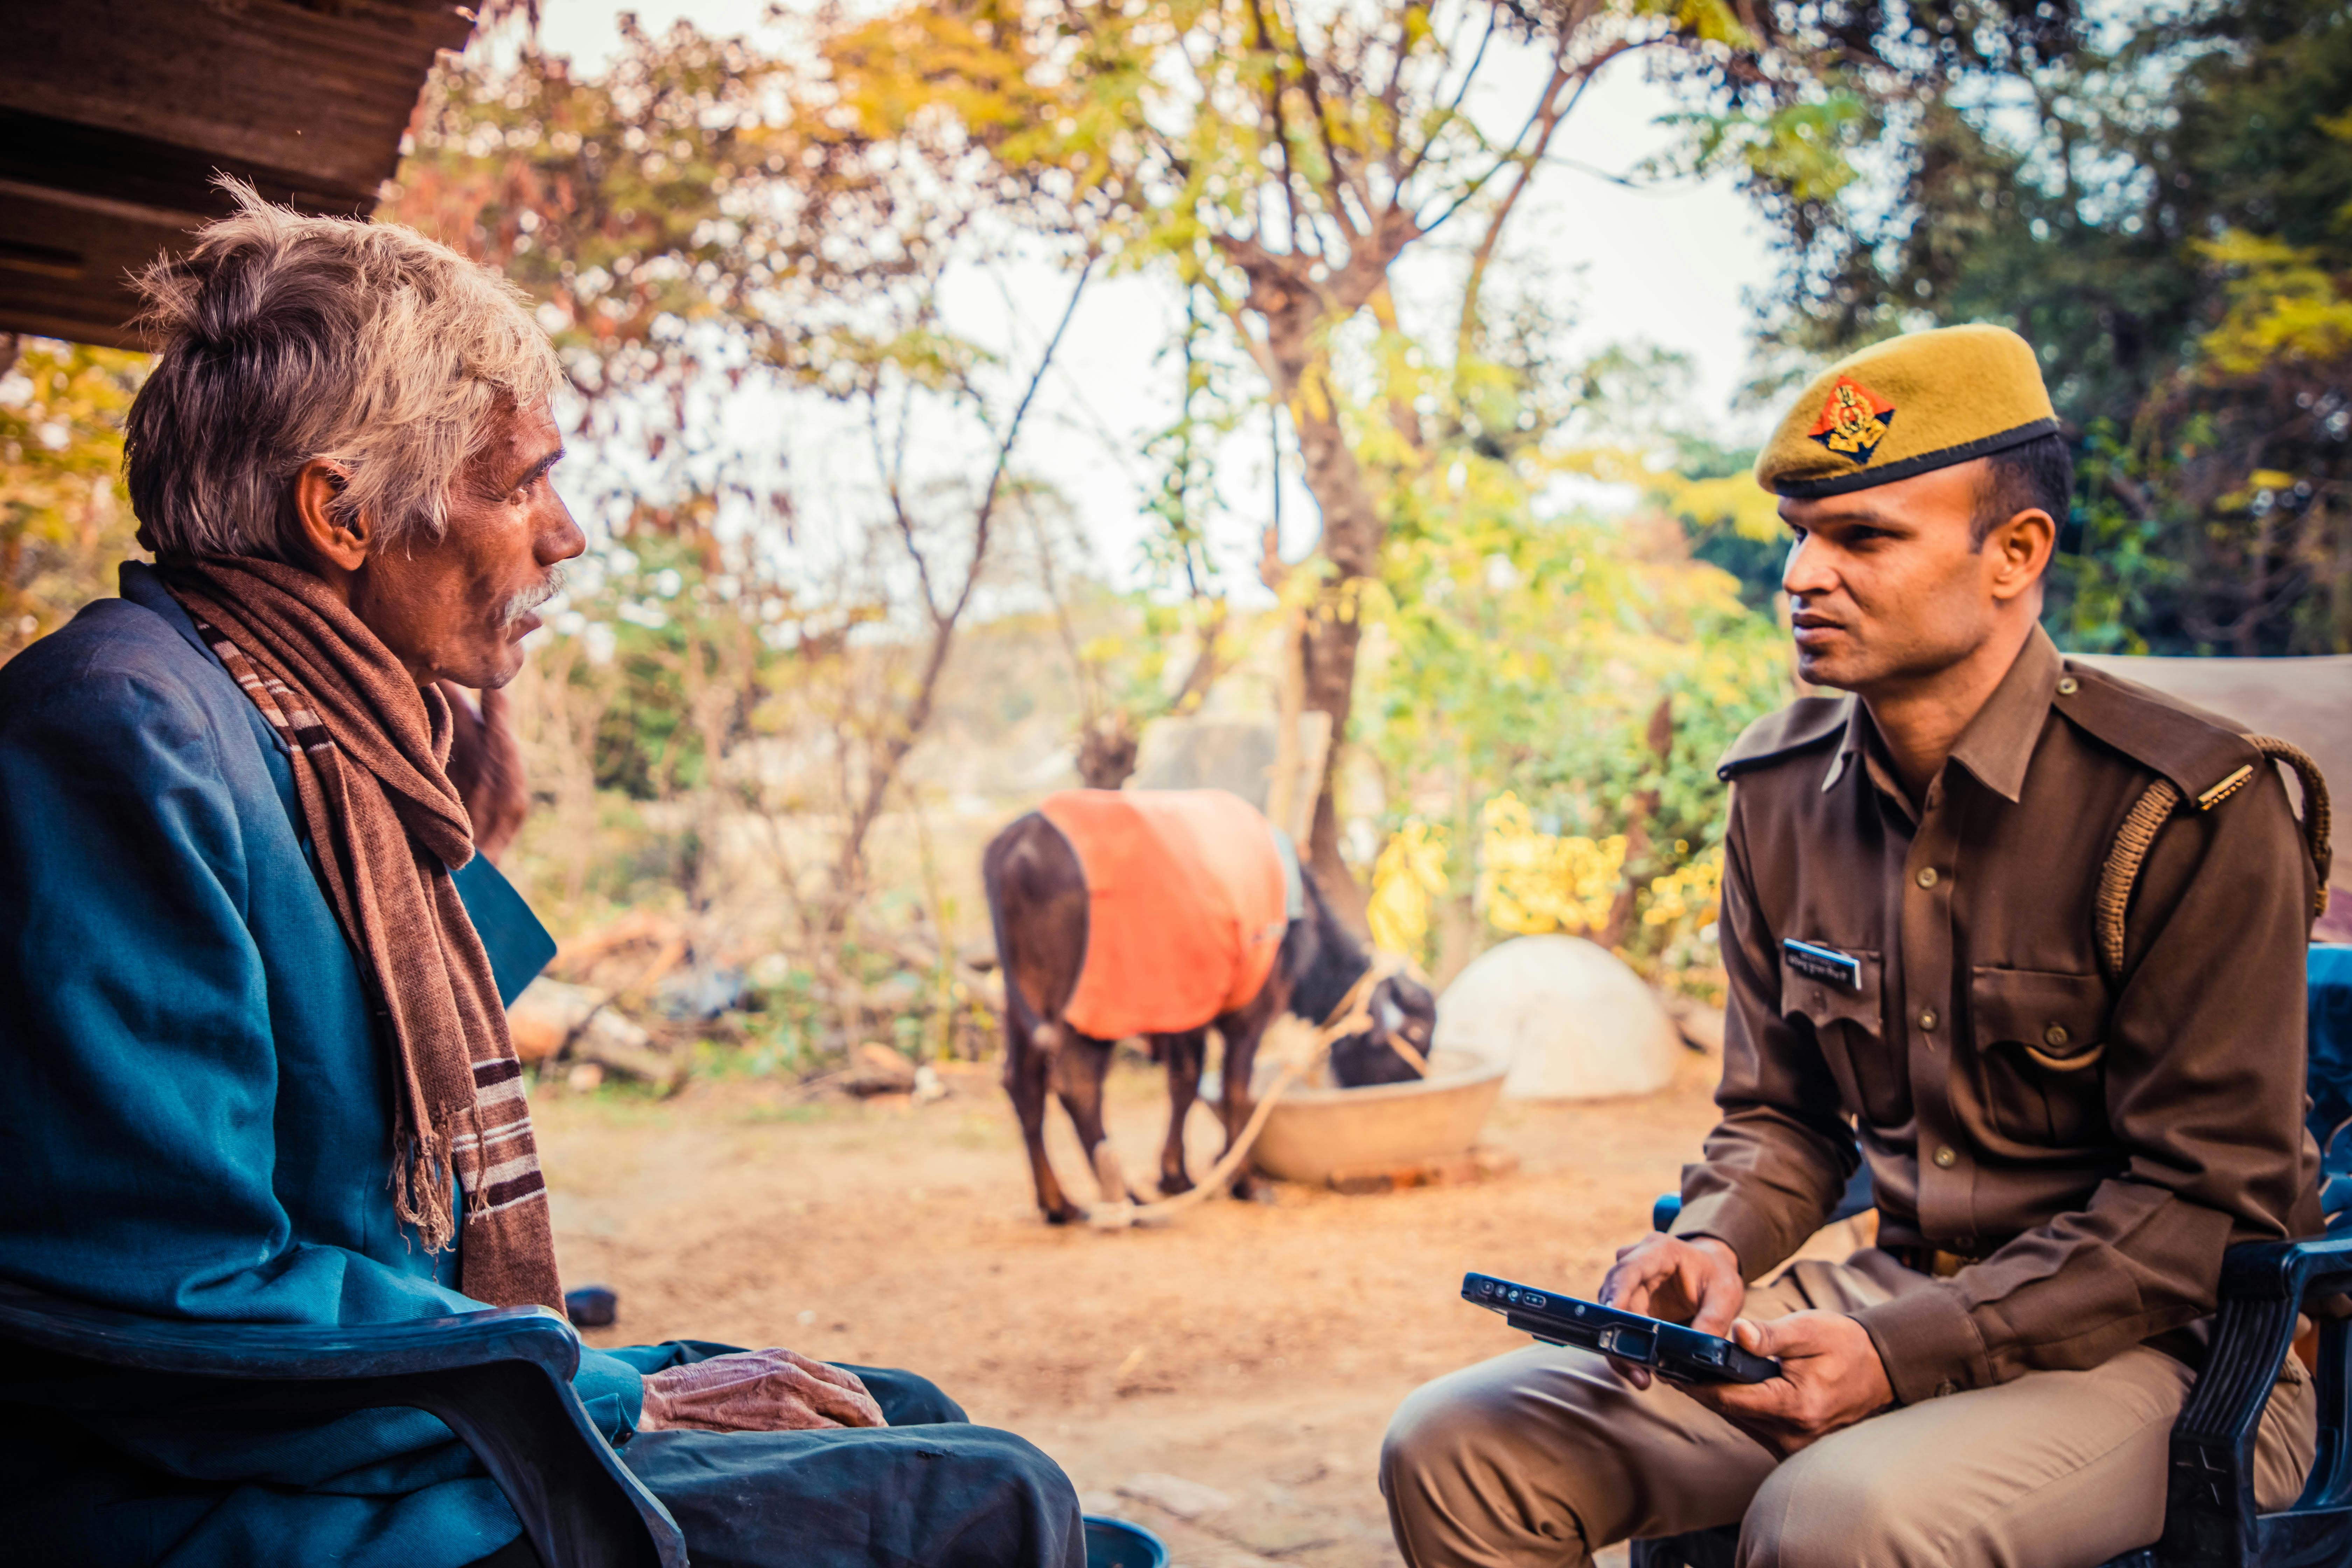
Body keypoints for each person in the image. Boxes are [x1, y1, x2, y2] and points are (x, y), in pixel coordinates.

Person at [0, 184, 1082, 1568]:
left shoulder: (330, 740)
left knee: (908, 1416)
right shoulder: (122, 734)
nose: (563, 535)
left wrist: (609, 1388)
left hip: (354, 1418)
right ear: (342, 516)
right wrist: (613, 1393)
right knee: (990, 1501)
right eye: (517, 485)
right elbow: (177, 1300)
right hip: (222, 1495)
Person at [1380, 324, 2328, 1567]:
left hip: (2171, 1355)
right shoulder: (1779, 795)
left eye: (1865, 537)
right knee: (1459, 1446)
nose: (1805, 577)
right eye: (1799, 536)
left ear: (2015, 555)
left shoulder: (2183, 808)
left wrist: (1905, 1353)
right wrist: (1712, 1241)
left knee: (1835, 1520)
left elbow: (2205, 1209)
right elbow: (1780, 1118)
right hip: (1888, 1303)